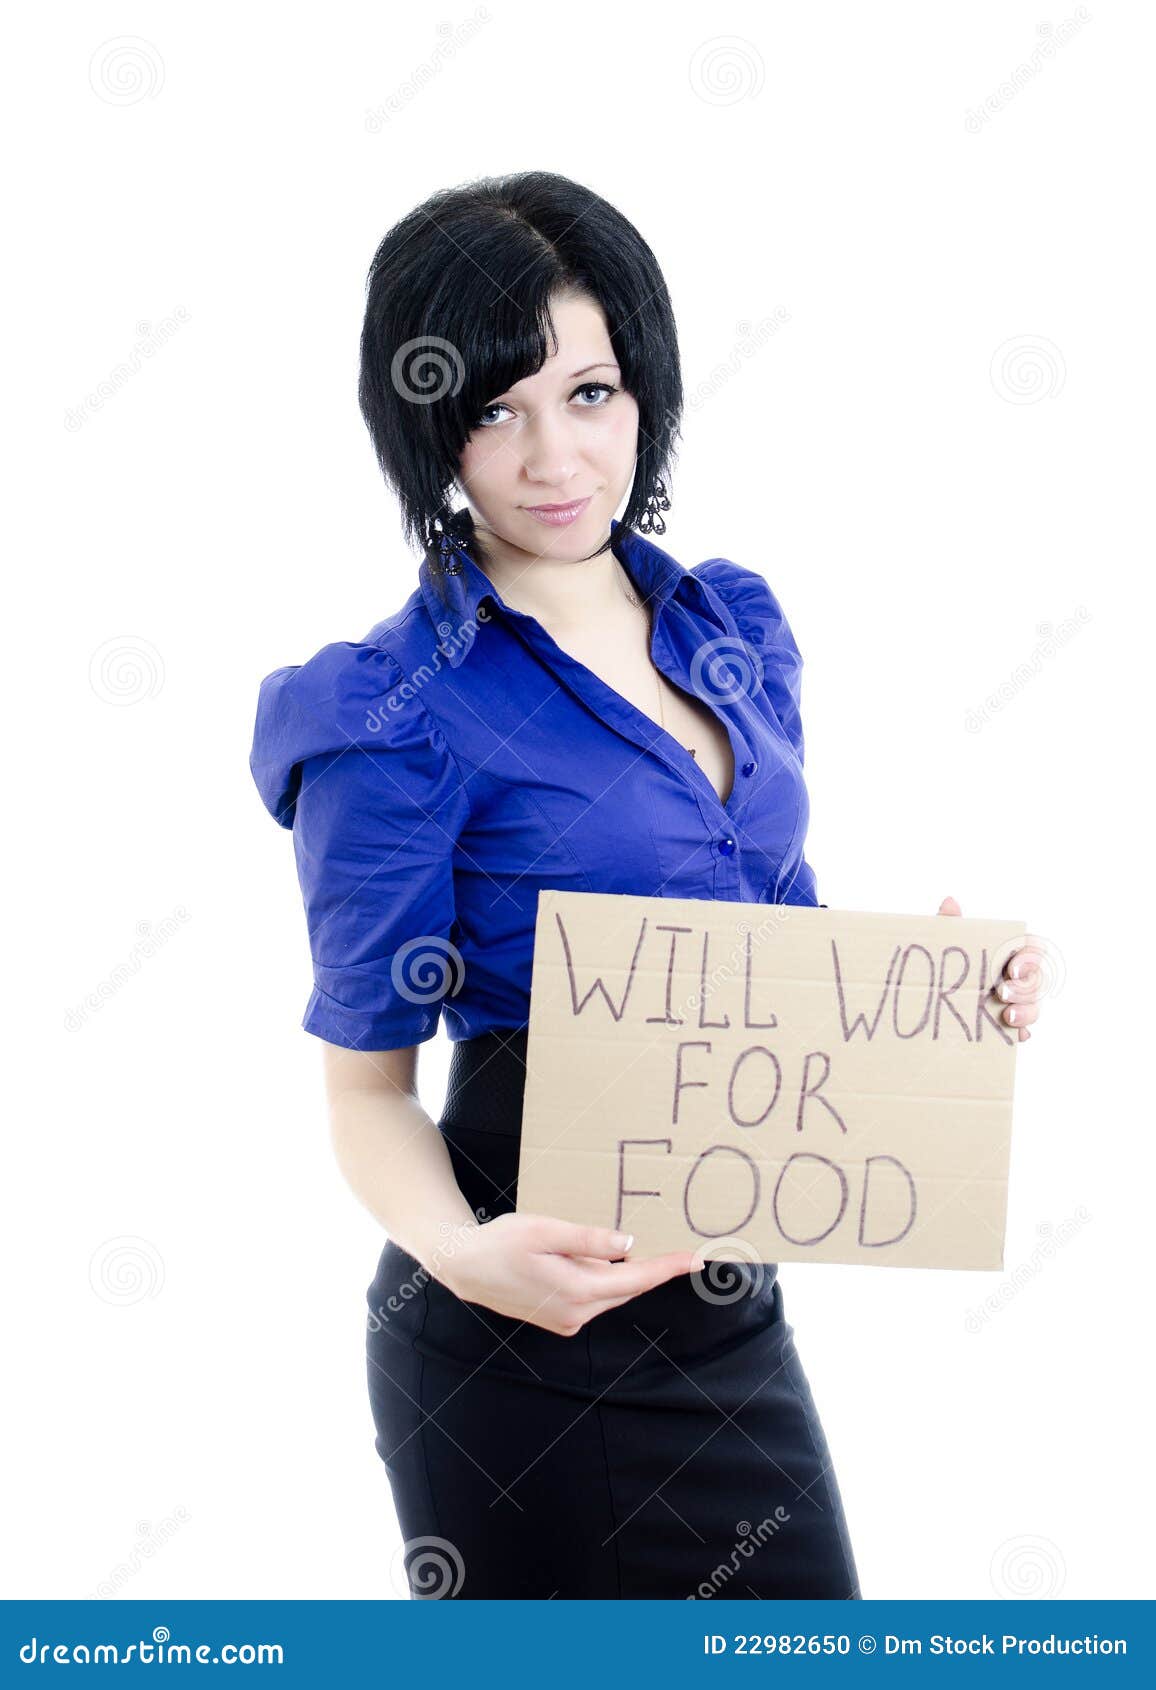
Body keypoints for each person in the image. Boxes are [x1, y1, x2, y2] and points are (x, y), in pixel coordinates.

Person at [248, 169, 866, 1600]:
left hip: (727, 1301)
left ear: (643, 388)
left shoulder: (730, 629)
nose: (550, 457)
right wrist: (470, 1254)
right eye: (492, 408)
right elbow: (363, 1089)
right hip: (516, 1327)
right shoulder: (393, 716)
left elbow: (784, 954)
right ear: (429, 429)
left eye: (588, 394)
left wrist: (945, 1008)